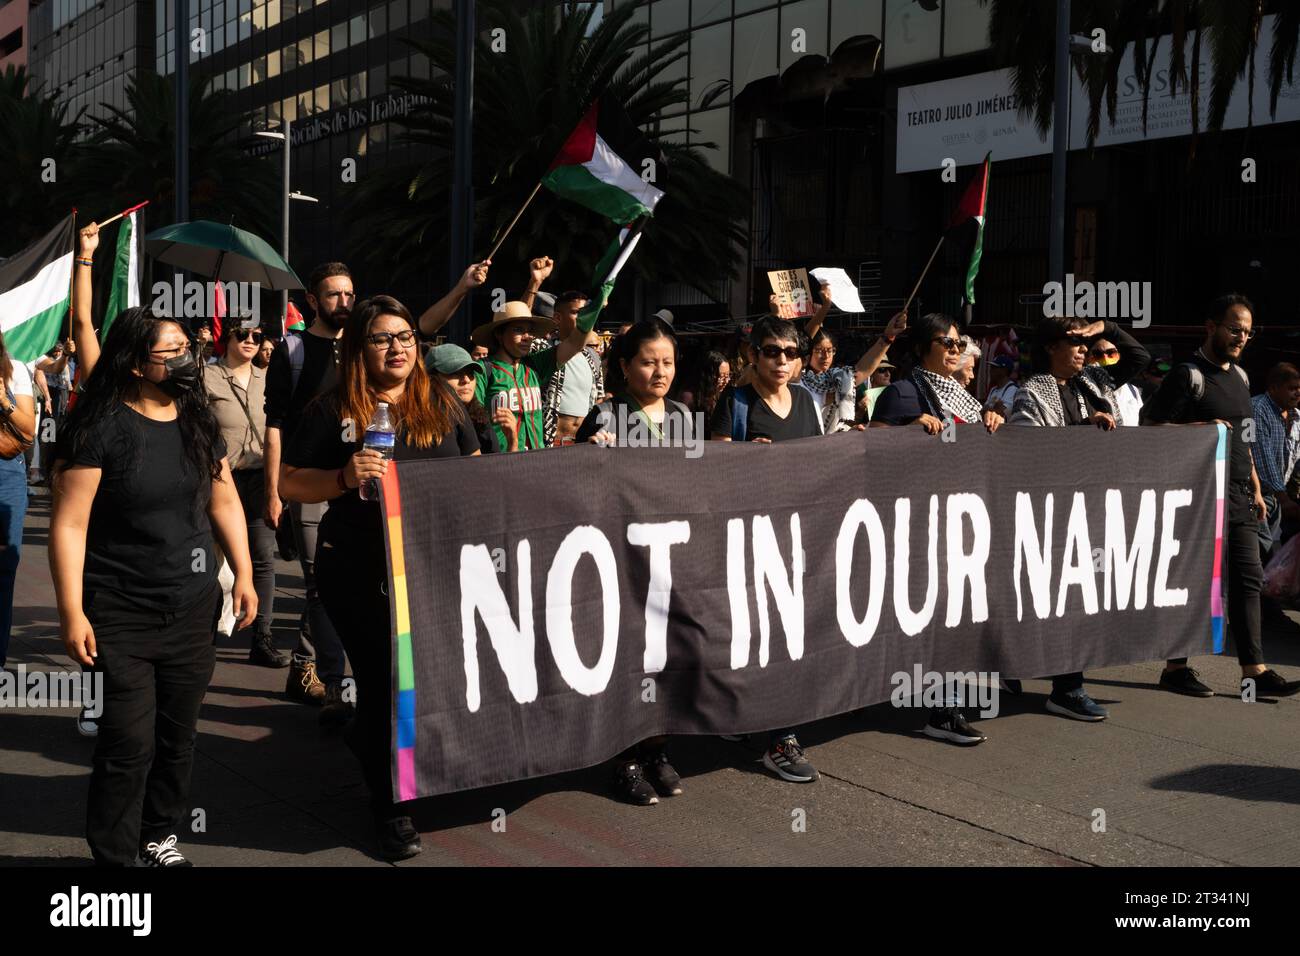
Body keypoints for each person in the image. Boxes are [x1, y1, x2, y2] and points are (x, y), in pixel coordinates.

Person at [49, 307, 257, 867]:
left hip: (191, 611)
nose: (187, 360)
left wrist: (244, 572)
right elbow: (69, 525)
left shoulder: (197, 419)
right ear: (136, 363)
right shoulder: (100, 428)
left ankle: (158, 834)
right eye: (171, 353)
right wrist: (72, 612)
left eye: (187, 348)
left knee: (178, 738)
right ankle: (115, 865)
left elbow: (225, 500)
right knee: (127, 745)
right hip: (120, 614)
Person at [280, 295, 480, 861]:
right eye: (382, 338)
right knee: (386, 683)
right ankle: (389, 808)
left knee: (429, 677)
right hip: (359, 569)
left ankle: (399, 759)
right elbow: (291, 485)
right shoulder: (331, 408)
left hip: (431, 564)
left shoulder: (441, 401)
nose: (397, 348)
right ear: (357, 347)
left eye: (405, 338)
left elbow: (471, 471)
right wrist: (343, 477)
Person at [1141, 294, 1299, 698]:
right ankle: (1176, 668)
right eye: (1234, 328)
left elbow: (1243, 437)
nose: (1240, 337)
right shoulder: (1188, 375)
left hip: (1241, 496)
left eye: (1247, 332)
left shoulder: (1241, 378)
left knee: (1248, 580)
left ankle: (1254, 670)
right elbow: (1150, 429)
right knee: (1196, 584)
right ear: (1210, 327)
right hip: (1196, 500)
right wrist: (1199, 431)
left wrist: (1258, 489)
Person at [1006, 315, 1150, 720]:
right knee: (1059, 599)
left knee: (1079, 600)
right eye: (1074, 342)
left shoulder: (1095, 383)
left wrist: (1103, 328)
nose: (1084, 350)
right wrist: (1084, 429)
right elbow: (1024, 447)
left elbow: (1139, 358)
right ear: (1051, 348)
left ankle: (1045, 675)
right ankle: (1066, 688)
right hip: (1053, 513)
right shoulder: (1030, 391)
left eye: (1086, 343)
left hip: (1095, 505)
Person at [870, 312, 1002, 745]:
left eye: (959, 344)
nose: (956, 350)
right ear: (924, 347)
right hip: (918, 527)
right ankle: (940, 709)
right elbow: (870, 451)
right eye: (947, 343)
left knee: (956, 617)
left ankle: (944, 701)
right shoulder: (902, 393)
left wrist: (993, 425)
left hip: (963, 523)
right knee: (932, 618)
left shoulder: (968, 400)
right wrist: (907, 432)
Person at [577, 317, 694, 805]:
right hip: (621, 565)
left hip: (672, 560)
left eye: (667, 362)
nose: (660, 372)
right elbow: (576, 489)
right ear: (624, 366)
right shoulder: (605, 415)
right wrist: (589, 455)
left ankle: (656, 747)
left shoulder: (686, 418)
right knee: (627, 659)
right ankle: (622, 757)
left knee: (666, 657)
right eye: (648, 362)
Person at [709, 316, 826, 783]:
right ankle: (777, 739)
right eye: (772, 351)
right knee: (764, 636)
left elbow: (822, 464)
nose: (782, 360)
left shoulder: (808, 401)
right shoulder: (734, 403)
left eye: (791, 352)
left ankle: (768, 725)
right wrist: (743, 460)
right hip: (749, 541)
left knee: (789, 637)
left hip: (800, 539)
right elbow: (712, 471)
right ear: (753, 355)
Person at [263, 263, 354, 719]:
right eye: (334, 295)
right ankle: (334, 686)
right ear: (315, 301)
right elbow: (275, 424)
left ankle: (303, 664)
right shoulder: (293, 349)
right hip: (310, 485)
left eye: (349, 294)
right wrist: (275, 489)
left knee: (344, 581)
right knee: (321, 584)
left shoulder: (362, 346)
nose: (344, 302)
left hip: (360, 484)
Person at [205, 323, 285, 668]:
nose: (252, 341)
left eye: (258, 336)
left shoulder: (269, 378)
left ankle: (262, 637)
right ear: (227, 339)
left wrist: (276, 490)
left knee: (261, 557)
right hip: (218, 478)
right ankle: (202, 632)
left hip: (260, 479)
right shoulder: (205, 376)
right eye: (243, 335)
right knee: (209, 557)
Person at [470, 301, 593, 452]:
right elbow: (472, 420)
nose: (527, 337)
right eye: (518, 330)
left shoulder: (535, 364)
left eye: (530, 331)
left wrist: (597, 304)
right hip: (499, 464)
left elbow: (575, 343)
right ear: (499, 334)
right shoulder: (482, 370)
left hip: (536, 461)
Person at [1251, 362, 1300, 637]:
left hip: (1279, 497)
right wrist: (1282, 497)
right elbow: (1262, 457)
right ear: (1273, 388)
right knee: (1262, 556)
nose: (1296, 393)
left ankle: (1267, 613)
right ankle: (1265, 616)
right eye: (1291, 388)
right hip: (1257, 495)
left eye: (1299, 389)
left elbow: (1295, 459)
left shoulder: (1295, 416)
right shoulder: (1258, 409)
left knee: (1271, 557)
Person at [800, 313, 906, 433]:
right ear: (808, 353)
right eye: (819, 350)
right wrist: (824, 309)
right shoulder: (795, 381)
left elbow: (861, 369)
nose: (826, 356)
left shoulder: (838, 378)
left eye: (830, 350)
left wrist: (889, 336)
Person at [0, 330, 37, 667]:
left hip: (4, 475)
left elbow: (27, 434)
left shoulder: (16, 368)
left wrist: (3, 398)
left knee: (2, 570)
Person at [426, 343, 518, 453]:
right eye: (455, 373)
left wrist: (512, 442)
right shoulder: (421, 424)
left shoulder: (480, 419)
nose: (466, 380)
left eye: (470, 373)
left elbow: (496, 468)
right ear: (431, 379)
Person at [542, 291, 605, 446]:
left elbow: (599, 400)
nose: (584, 318)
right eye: (576, 312)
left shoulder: (593, 357)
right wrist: (534, 283)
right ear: (557, 317)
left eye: (587, 313)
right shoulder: (543, 350)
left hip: (583, 444)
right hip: (551, 444)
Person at [1087, 336, 1144, 425]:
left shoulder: (1133, 390)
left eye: (1111, 353)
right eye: (1097, 354)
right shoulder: (1084, 389)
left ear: (1119, 356)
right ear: (1088, 359)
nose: (1105, 358)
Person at [675, 349, 731, 420]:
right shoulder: (688, 398)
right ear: (709, 375)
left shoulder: (721, 396)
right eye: (722, 376)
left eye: (728, 375)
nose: (726, 381)